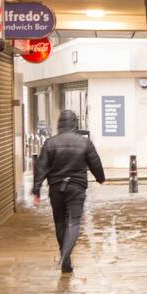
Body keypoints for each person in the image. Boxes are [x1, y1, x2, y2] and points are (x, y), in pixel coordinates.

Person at [31, 109, 106, 273]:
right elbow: (95, 163)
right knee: (73, 222)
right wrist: (100, 178)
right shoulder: (84, 142)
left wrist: (36, 190)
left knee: (59, 223)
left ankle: (65, 259)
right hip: (77, 188)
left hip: (56, 189)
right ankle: (66, 254)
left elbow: (41, 168)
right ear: (75, 124)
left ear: (60, 124)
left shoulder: (50, 143)